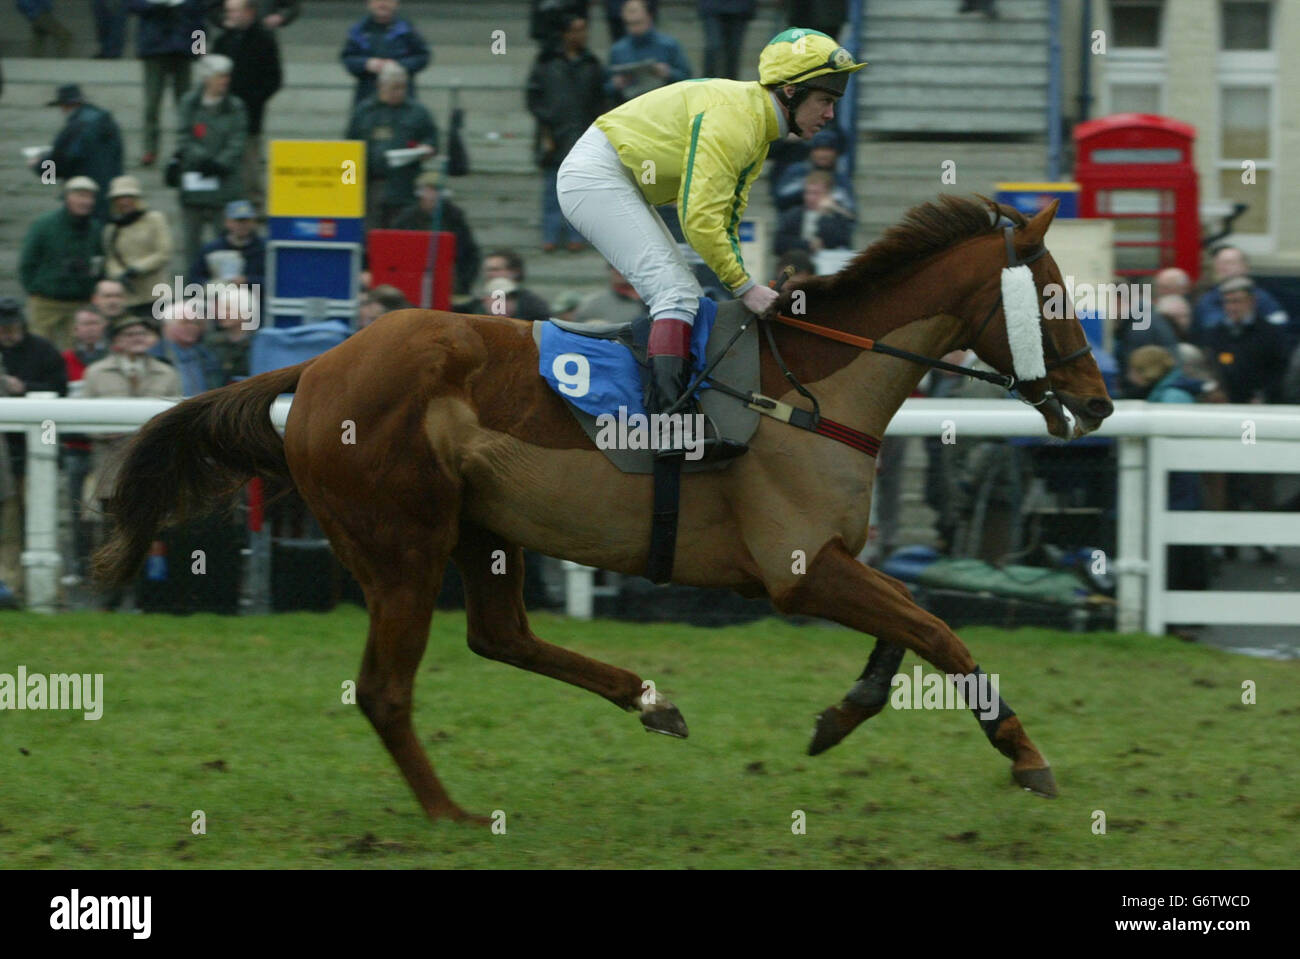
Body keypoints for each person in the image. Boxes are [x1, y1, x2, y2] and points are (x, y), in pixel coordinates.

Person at [557, 27, 865, 453]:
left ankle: (672, 410)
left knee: (684, 294)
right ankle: (666, 423)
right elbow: (700, 221)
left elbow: (726, 218)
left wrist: (745, 282)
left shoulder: (757, 121)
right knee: (676, 295)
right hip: (598, 177)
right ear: (791, 91)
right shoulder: (738, 120)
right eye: (826, 101)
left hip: (614, 176)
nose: (830, 115)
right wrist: (744, 287)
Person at [1126, 344, 1208, 591]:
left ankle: (1183, 601)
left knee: (1178, 544)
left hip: (1178, 483)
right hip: (1180, 483)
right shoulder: (1169, 392)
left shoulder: (1171, 397)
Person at [0, 297, 69, 584]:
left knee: (41, 521)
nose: (7, 334)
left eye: (11, 328)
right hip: (4, 454)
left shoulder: (43, 350)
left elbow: (60, 392)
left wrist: (24, 388)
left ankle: (49, 588)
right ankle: (12, 586)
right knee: (8, 527)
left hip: (35, 449)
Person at [527, 13, 606, 253]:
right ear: (565, 34)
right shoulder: (546, 62)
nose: (581, 35)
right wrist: (546, 121)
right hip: (553, 133)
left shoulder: (593, 64)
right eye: (576, 30)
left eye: (584, 30)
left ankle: (576, 235)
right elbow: (533, 97)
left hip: (583, 133)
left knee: (580, 189)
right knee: (552, 188)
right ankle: (550, 235)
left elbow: (600, 100)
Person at [175, 54, 249, 267]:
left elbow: (238, 138)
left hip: (224, 182)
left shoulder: (236, 106)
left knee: (224, 239)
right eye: (220, 76)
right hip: (194, 181)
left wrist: (219, 163)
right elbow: (183, 136)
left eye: (226, 76)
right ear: (207, 78)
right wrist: (202, 160)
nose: (224, 81)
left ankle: (225, 290)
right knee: (192, 241)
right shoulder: (189, 102)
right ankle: (192, 287)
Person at [346, 63, 438, 231]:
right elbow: (348, 154)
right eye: (394, 88)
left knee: (400, 237)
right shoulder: (363, 112)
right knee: (371, 237)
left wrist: (428, 148)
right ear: (380, 86)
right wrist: (348, 186)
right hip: (372, 187)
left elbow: (433, 140)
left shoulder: (417, 112)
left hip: (405, 187)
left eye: (403, 87)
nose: (400, 92)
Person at [19, 177, 104, 351]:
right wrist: (35, 289)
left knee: (74, 353)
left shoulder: (96, 229)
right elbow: (27, 263)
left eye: (90, 197)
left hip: (79, 303)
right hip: (45, 302)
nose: (85, 201)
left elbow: (100, 262)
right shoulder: (44, 225)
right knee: (39, 351)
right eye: (80, 196)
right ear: (67, 197)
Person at [214, 0, 284, 209]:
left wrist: (255, 98)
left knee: (250, 162)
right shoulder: (223, 40)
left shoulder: (264, 39)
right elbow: (209, 67)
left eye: (235, 11)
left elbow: (274, 78)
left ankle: (255, 204)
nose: (231, 15)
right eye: (229, 11)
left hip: (250, 111)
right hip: (223, 113)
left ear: (249, 12)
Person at [62, 305, 110, 580]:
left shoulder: (115, 358)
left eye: (95, 323)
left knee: (110, 513)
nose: (90, 329)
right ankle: (81, 566)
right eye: (85, 324)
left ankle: (109, 568)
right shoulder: (64, 360)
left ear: (103, 326)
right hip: (77, 450)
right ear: (75, 330)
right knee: (78, 512)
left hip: (109, 449)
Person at [30, 84, 125, 220]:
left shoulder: (74, 128)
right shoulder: (108, 122)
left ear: (65, 106)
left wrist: (37, 164)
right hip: (112, 195)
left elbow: (55, 170)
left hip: (83, 197)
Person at [129, 0, 205, 166]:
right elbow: (132, 5)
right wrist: (153, 6)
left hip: (182, 46)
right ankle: (150, 149)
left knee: (185, 103)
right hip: (155, 46)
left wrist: (199, 47)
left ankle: (187, 147)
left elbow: (199, 12)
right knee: (152, 103)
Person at [391, 171, 482, 296]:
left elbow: (469, 253)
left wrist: (463, 283)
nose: (432, 195)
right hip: (411, 278)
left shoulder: (455, 218)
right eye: (428, 190)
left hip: (447, 282)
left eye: (436, 190)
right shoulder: (405, 218)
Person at [102, 176, 174, 318]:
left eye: (128, 197)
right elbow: (110, 257)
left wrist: (138, 268)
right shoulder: (111, 229)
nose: (124, 201)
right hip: (128, 295)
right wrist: (119, 274)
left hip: (156, 291)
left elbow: (164, 252)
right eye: (119, 198)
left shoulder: (155, 219)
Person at [340, 0, 431, 107]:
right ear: (369, 3)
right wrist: (366, 64)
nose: (382, 4)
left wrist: (398, 66)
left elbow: (423, 56)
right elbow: (347, 58)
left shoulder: (407, 29)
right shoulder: (359, 30)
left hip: (403, 102)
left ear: (396, 3)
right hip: (367, 99)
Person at [1193, 245, 1290, 343]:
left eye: (1229, 263)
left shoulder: (1262, 298)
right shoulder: (1207, 300)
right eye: (1218, 263)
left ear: (1245, 267)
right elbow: (1197, 332)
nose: (1222, 267)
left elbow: (1279, 325)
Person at [607, 0, 691, 104]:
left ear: (649, 18)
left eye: (638, 22)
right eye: (629, 24)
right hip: (630, 106)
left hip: (664, 103)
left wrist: (668, 73)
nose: (634, 28)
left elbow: (688, 79)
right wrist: (616, 84)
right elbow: (605, 88)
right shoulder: (618, 50)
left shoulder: (668, 45)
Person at [189, 199, 267, 293]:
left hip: (255, 298)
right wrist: (213, 284)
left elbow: (274, 280)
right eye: (238, 221)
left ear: (254, 223)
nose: (242, 225)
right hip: (218, 297)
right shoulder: (212, 249)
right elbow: (194, 279)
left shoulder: (264, 249)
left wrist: (247, 280)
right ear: (227, 222)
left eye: (247, 221)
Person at [773, 168, 854, 256]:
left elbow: (840, 242)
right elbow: (778, 244)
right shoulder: (794, 214)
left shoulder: (838, 217)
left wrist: (825, 216)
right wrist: (807, 244)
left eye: (816, 193)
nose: (810, 198)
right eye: (808, 193)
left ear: (828, 194)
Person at [771, 128, 853, 213]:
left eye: (828, 150)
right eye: (819, 149)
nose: (823, 154)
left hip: (828, 220)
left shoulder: (840, 178)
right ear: (811, 152)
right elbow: (780, 197)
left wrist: (833, 200)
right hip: (796, 220)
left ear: (836, 153)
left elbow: (850, 208)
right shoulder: (797, 171)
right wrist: (810, 191)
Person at [149, 306, 221, 396]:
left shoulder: (208, 354)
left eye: (196, 323)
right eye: (185, 322)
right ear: (167, 327)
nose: (192, 327)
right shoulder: (155, 357)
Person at [697, 0, 756, 81]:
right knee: (714, 48)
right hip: (713, 7)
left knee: (733, 51)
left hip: (740, 9)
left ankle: (730, 85)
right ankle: (707, 82)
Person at [573, 266, 648, 325]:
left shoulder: (654, 299)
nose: (619, 270)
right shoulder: (593, 304)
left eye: (625, 266)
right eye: (614, 266)